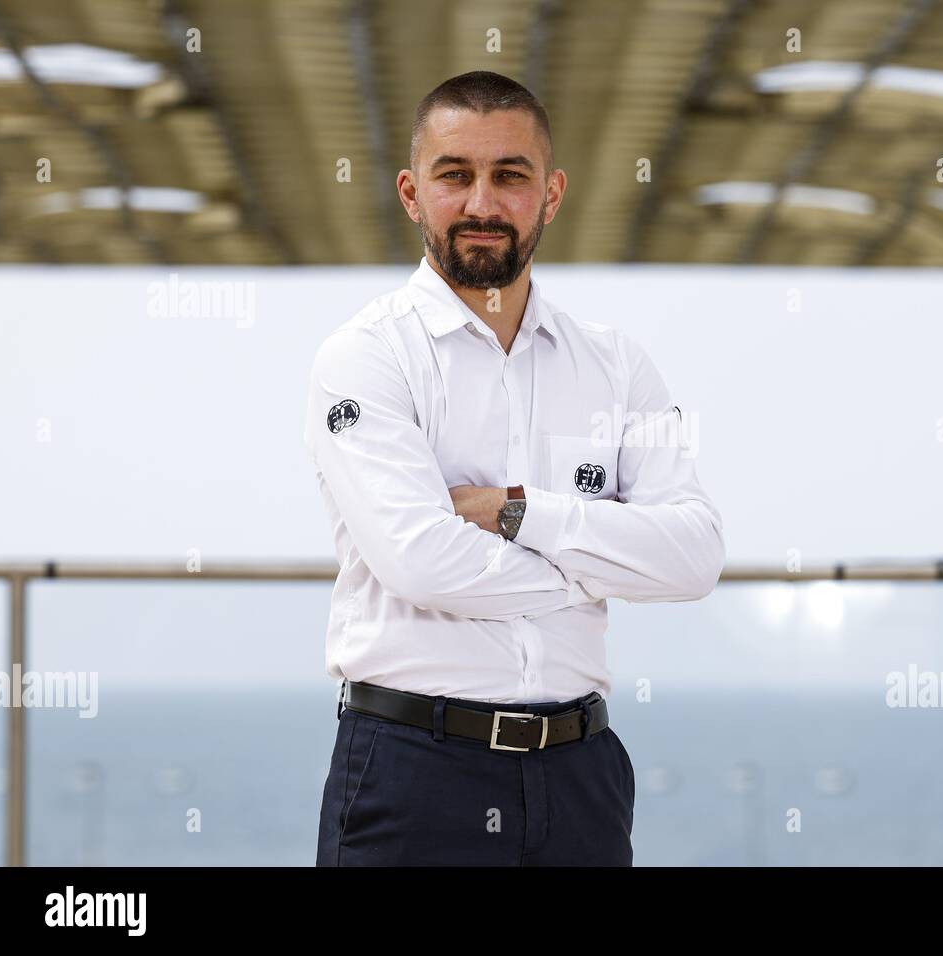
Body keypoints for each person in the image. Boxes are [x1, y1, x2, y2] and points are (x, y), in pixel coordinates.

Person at [304, 70, 725, 866]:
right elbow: (421, 561)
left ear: (552, 194)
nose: (482, 205)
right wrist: (601, 567)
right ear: (410, 192)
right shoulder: (365, 358)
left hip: (582, 778)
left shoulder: (615, 366)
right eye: (455, 175)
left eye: (510, 176)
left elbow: (696, 555)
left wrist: (523, 515)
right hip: (413, 771)